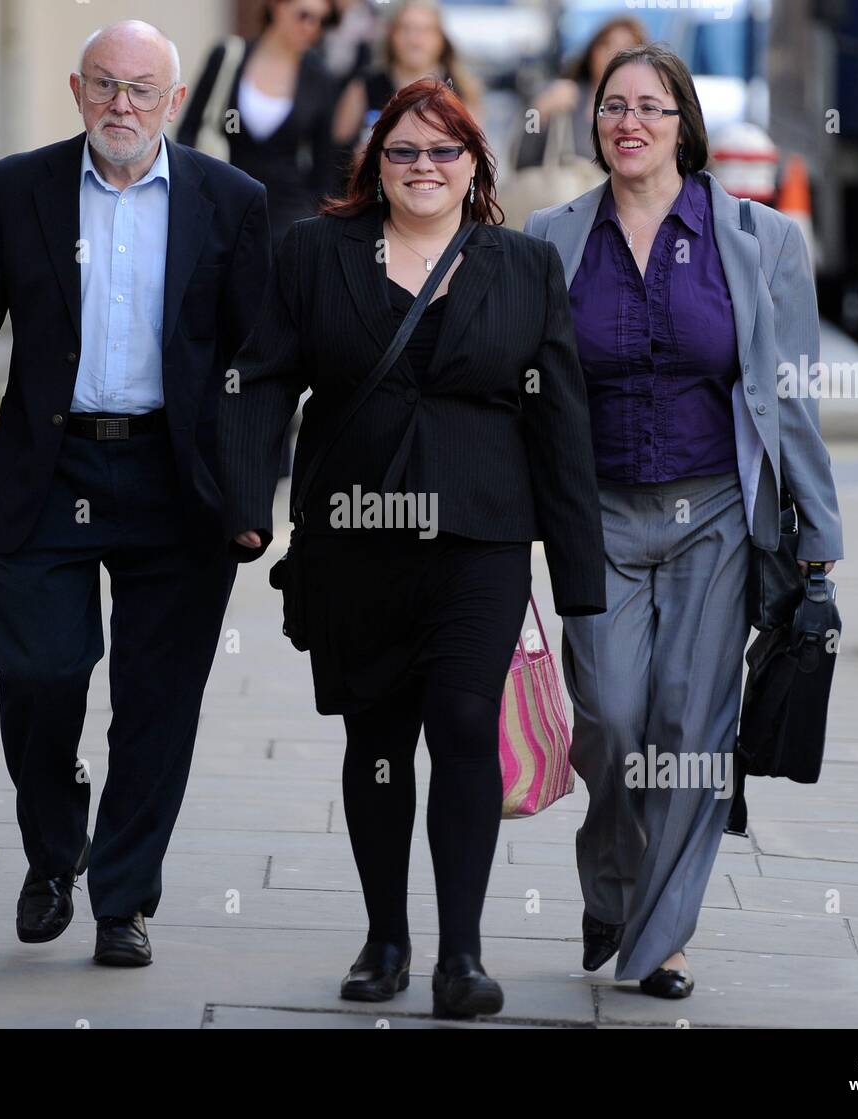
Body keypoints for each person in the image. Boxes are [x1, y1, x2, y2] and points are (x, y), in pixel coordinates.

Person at [218, 78, 604, 1020]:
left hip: (481, 535)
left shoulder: (522, 266)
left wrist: (579, 568)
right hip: (354, 535)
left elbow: (559, 415)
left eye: (442, 152)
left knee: (467, 725)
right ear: (375, 165)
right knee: (378, 736)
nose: (423, 168)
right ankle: (385, 936)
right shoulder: (315, 254)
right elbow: (264, 377)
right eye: (404, 152)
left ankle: (461, 956)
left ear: (474, 165)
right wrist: (245, 503)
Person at [0, 20, 271, 969]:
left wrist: (249, 493)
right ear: (75, 90)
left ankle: (124, 898)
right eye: (104, 85)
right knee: (40, 676)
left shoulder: (230, 201)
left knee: (157, 701)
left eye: (141, 90)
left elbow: (257, 361)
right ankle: (53, 847)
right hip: (46, 471)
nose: (121, 105)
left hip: (174, 483)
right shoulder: (16, 187)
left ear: (175, 103)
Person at [526, 43, 842, 999]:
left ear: (684, 125)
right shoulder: (551, 235)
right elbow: (525, 385)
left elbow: (792, 397)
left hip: (714, 516)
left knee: (690, 727)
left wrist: (819, 536)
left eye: (651, 108)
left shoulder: (760, 239)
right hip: (597, 515)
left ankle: (660, 938)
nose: (629, 122)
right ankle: (613, 879)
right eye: (614, 107)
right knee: (612, 718)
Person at [177, 0, 337, 247]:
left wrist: (314, 217)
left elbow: (323, 162)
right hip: (222, 197)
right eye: (304, 15)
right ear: (277, 7)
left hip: (286, 213)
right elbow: (189, 129)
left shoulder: (319, 76)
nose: (312, 27)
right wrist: (192, 187)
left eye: (322, 21)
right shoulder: (229, 56)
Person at [331, 0, 482, 160]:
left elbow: (474, 155)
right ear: (391, 34)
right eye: (406, 29)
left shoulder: (462, 90)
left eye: (425, 30)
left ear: (440, 38)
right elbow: (337, 147)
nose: (415, 40)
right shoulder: (364, 87)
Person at [516, 14, 646, 171]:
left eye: (626, 48)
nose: (613, 54)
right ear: (592, 51)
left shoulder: (647, 112)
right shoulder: (563, 95)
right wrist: (538, 111)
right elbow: (521, 158)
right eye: (606, 44)